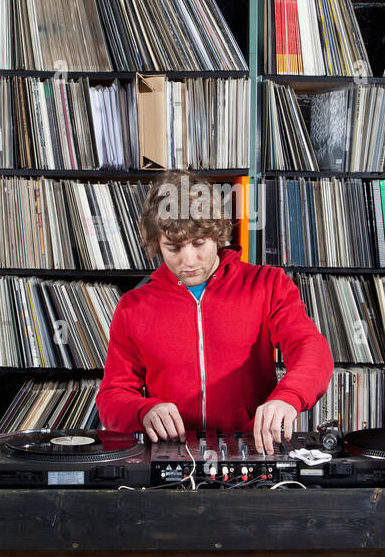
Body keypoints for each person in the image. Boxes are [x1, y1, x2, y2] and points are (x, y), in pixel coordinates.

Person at [97, 170, 334, 454]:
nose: (189, 261)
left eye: (199, 243)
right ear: (156, 245)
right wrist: (142, 410)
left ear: (217, 234)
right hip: (173, 456)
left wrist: (288, 397)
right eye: (173, 248)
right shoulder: (133, 307)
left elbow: (311, 349)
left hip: (252, 450)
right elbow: (112, 397)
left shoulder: (268, 285)